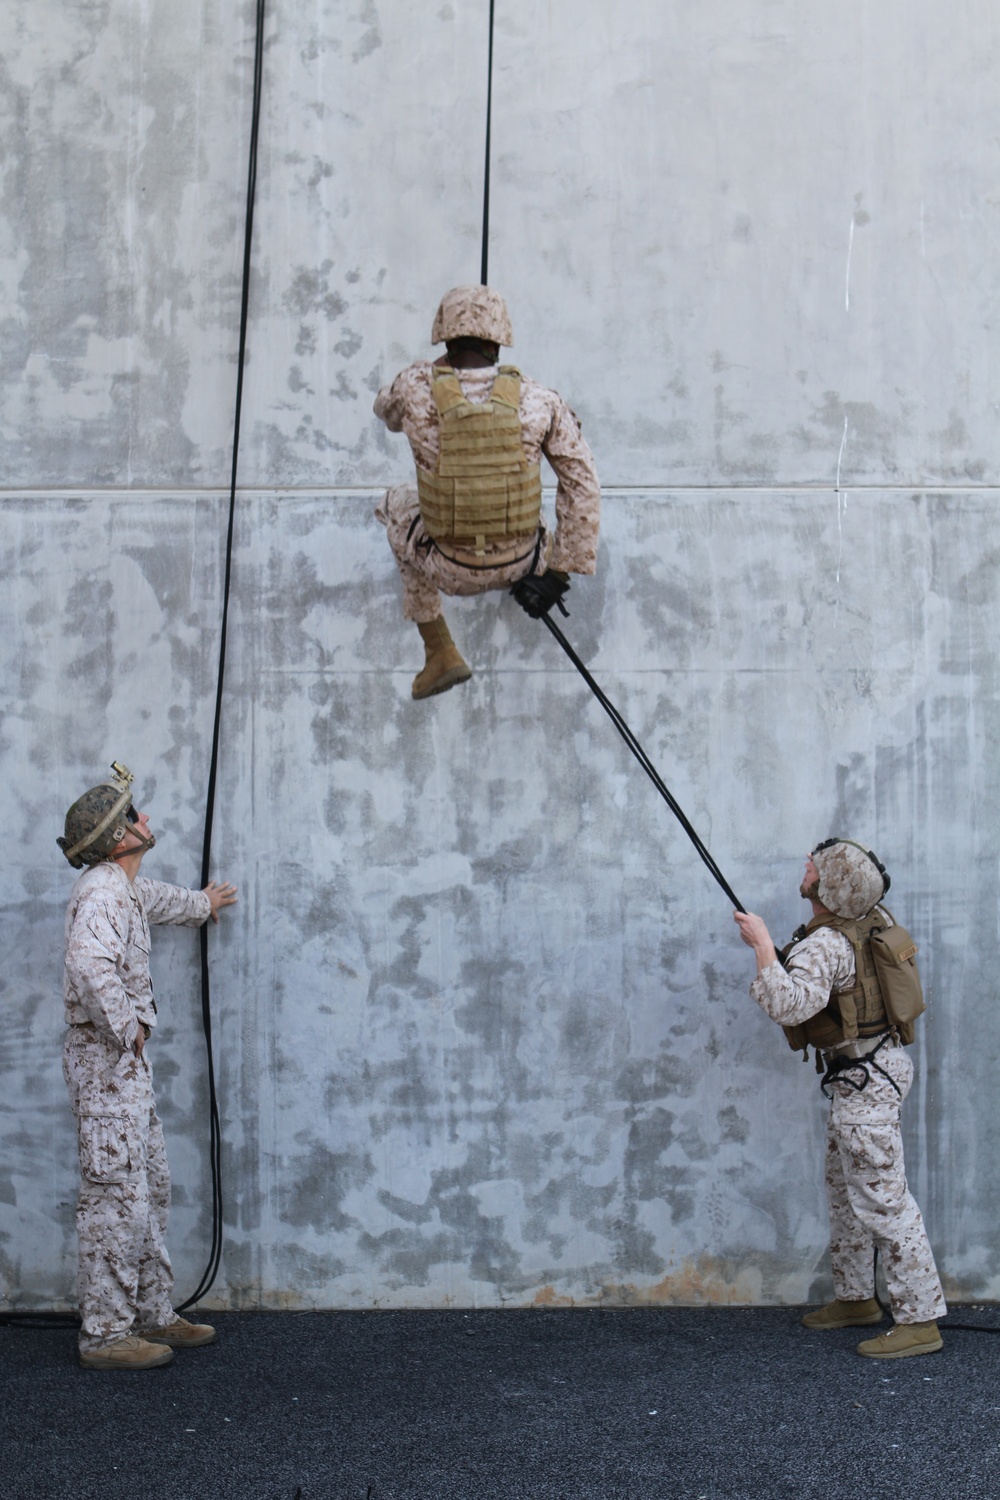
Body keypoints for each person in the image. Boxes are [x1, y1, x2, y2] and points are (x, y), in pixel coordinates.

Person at [734, 838, 946, 1359]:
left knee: (883, 1200)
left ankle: (920, 1319)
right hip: (870, 1072)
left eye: (815, 866)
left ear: (830, 887)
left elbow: (788, 1005)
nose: (805, 867)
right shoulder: (868, 919)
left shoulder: (825, 945)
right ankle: (856, 1298)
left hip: (866, 1080)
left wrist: (762, 945)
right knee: (845, 1188)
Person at [58, 761, 237, 1371]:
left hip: (125, 1073)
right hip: (106, 1064)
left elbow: (161, 900)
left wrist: (204, 904)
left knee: (148, 1187)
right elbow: (89, 965)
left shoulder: (127, 887)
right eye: (134, 816)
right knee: (114, 1195)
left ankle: (153, 1312)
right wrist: (128, 1028)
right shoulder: (102, 892)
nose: (146, 819)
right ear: (117, 836)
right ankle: (106, 1335)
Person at [373, 284, 601, 699]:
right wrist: (558, 575)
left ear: (444, 335)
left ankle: (438, 648)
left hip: (448, 568)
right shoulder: (539, 399)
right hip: (526, 564)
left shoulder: (413, 388)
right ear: (500, 342)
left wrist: (434, 370)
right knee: (545, 500)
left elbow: (385, 412)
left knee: (396, 502)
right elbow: (582, 483)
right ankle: (529, 564)